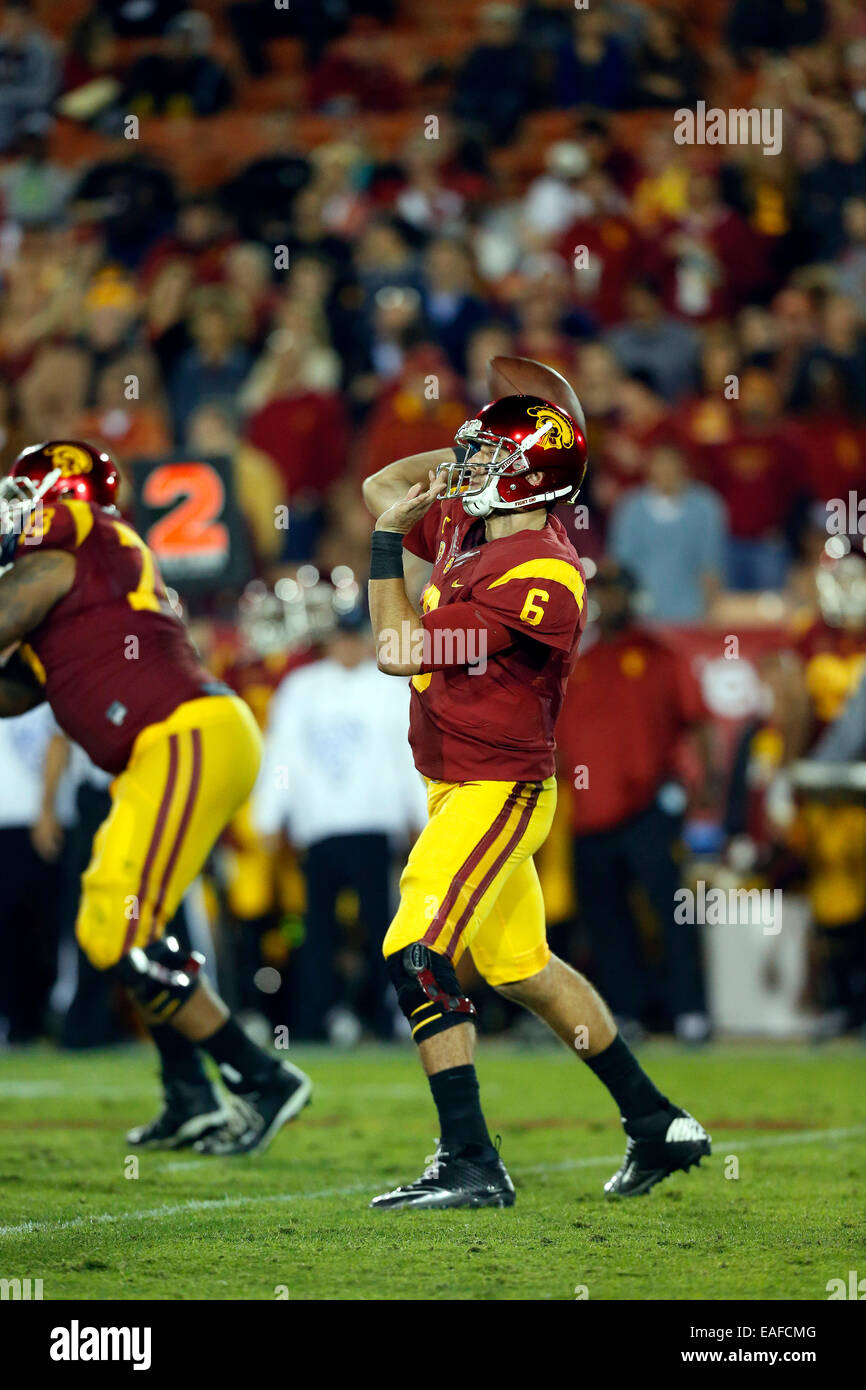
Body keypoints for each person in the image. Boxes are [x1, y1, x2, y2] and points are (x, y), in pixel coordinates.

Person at [362, 387, 710, 1209]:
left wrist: (384, 550)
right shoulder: (468, 522)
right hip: (454, 785)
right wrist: (460, 464)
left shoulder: (543, 574)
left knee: (416, 951)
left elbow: (397, 647)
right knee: (525, 972)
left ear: (526, 481)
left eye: (488, 458)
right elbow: (383, 484)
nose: (466, 469)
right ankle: (656, 1122)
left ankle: (471, 1160)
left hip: (500, 788)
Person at [0, 440, 311, 1154]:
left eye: (22, 499)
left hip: (185, 738)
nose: (13, 517)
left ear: (57, 499)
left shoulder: (75, 538)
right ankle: (192, 1095)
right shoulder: (79, 584)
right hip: (164, 751)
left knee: (115, 925)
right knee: (129, 921)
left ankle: (261, 1077)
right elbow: (15, 692)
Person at [254, 607, 426, 1040]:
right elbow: (282, 754)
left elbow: (408, 754)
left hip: (373, 825)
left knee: (385, 930)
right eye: (341, 638)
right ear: (330, 641)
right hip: (321, 827)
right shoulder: (302, 687)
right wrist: (270, 814)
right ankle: (313, 1022)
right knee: (317, 934)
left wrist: (418, 815)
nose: (348, 646)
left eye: (354, 638)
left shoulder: (389, 686)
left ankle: (392, 1017)